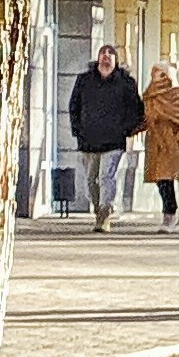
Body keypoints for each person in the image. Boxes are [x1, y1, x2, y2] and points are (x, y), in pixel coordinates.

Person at [68, 45, 145, 228]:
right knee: (90, 179)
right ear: (98, 58)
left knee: (106, 177)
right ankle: (98, 208)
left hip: (114, 140)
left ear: (116, 60)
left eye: (110, 53)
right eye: (103, 53)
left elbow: (137, 110)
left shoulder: (125, 82)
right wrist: (78, 130)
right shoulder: (85, 80)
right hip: (88, 140)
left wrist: (125, 130)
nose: (106, 56)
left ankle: (105, 211)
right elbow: (74, 106)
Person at [140, 63, 179, 223]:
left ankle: (170, 213)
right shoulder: (149, 95)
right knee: (160, 180)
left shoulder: (178, 93)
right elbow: (144, 117)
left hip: (172, 142)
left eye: (161, 74)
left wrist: (177, 138)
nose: (157, 77)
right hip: (156, 142)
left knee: (165, 178)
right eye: (154, 73)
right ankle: (170, 212)